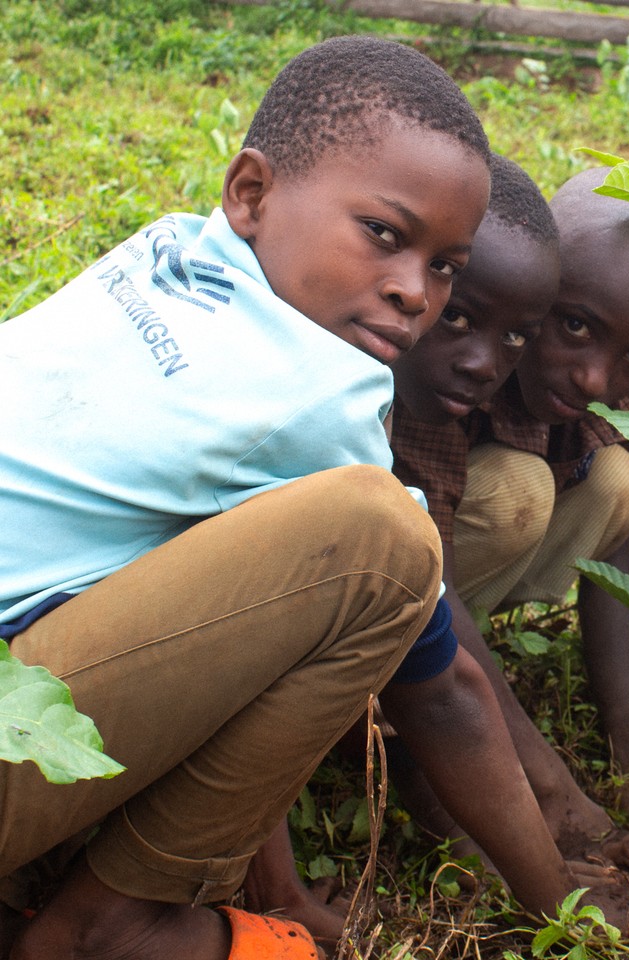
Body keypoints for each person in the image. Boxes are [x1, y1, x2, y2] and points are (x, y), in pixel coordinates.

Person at [0, 35, 492, 960]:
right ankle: (112, 927)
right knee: (382, 539)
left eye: (445, 268)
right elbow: (444, 686)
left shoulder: (162, 252)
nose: (412, 292)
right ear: (251, 192)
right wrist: (561, 886)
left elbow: (226, 630)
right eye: (384, 235)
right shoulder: (322, 394)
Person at [241, 154, 629, 947]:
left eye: (515, 335)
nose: (484, 360)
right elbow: (433, 675)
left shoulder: (397, 386)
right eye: (459, 316)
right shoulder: (315, 405)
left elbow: (436, 656)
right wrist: (548, 849)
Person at [446, 166, 629, 839]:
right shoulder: (455, 354)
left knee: (620, 480)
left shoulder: (621, 377)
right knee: (518, 491)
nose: (595, 378)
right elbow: (421, 580)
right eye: (575, 326)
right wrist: (544, 780)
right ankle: (398, 691)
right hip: (393, 586)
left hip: (459, 582)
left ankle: (472, 658)